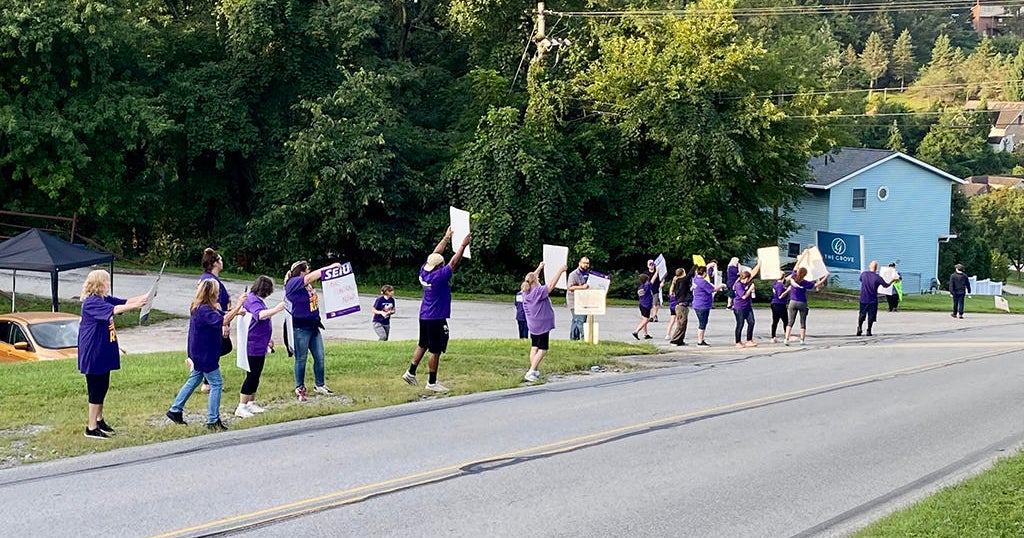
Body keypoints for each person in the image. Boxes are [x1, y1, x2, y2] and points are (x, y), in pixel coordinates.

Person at [166, 279, 245, 430]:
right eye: (217, 291)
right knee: (216, 383)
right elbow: (222, 320)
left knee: (194, 380)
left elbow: (220, 314)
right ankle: (213, 420)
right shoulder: (204, 310)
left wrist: (235, 312)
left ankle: (175, 410)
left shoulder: (201, 307)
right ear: (212, 293)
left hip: (199, 351)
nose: (219, 293)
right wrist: (238, 305)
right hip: (205, 354)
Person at [78, 270, 147, 439]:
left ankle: (99, 419)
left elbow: (124, 302)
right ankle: (91, 427)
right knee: (96, 388)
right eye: (107, 281)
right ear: (99, 284)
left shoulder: (103, 299)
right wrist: (138, 305)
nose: (109, 284)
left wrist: (146, 297)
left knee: (103, 386)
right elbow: (116, 309)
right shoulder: (91, 302)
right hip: (93, 351)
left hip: (104, 350)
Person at [401, 227, 471, 393]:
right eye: (442, 263)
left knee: (422, 344)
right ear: (439, 266)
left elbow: (434, 253)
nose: (444, 264)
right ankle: (432, 382)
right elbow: (454, 262)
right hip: (436, 317)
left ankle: (410, 372)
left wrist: (446, 238)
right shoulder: (439, 277)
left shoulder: (424, 272)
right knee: (435, 350)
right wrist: (463, 245)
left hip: (424, 315)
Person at [284, 260, 342, 401]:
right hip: (300, 327)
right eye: (308, 269)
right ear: (302, 271)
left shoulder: (307, 286)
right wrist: (329, 268)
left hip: (313, 325)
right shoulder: (294, 282)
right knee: (301, 358)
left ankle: (320, 384)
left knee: (320, 357)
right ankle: (300, 386)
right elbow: (310, 277)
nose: (309, 271)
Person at [235, 276, 285, 418]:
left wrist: (268, 338)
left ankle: (250, 402)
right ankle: (241, 406)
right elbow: (260, 315)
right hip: (253, 344)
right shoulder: (253, 301)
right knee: (252, 375)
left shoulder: (255, 300)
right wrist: (276, 309)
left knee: (256, 374)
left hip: (260, 343)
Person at [521, 262, 567, 382]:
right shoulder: (539, 291)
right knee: (543, 349)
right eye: (538, 278)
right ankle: (531, 371)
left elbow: (531, 277)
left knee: (534, 347)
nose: (539, 278)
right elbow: (551, 285)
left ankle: (534, 370)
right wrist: (560, 271)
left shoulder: (525, 291)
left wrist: (539, 268)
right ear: (535, 281)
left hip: (532, 324)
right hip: (542, 325)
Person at [783, 267, 828, 346]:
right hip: (802, 302)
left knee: (790, 321)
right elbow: (816, 285)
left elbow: (796, 266)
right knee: (802, 322)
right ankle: (802, 340)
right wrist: (825, 277)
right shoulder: (805, 282)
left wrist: (802, 257)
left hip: (792, 301)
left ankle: (786, 339)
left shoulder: (793, 277)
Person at [857, 261, 896, 336]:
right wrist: (892, 280)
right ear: (876, 268)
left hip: (863, 298)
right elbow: (886, 285)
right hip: (873, 299)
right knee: (871, 316)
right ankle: (869, 330)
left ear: (869, 266)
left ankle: (859, 327)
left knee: (862, 314)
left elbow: (861, 279)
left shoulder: (864, 274)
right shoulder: (877, 277)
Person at [692, 265, 725, 346]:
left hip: (697, 303)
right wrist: (722, 285)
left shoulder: (695, 279)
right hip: (703, 304)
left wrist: (711, 265)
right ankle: (700, 342)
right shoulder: (703, 282)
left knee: (703, 322)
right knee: (702, 323)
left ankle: (702, 339)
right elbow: (712, 290)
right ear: (704, 273)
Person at [732, 262, 761, 348]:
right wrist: (750, 290)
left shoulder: (747, 282)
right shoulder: (738, 285)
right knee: (740, 324)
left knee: (751, 322)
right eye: (746, 279)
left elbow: (753, 273)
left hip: (748, 306)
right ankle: (738, 341)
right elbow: (744, 296)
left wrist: (759, 264)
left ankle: (749, 339)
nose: (747, 281)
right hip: (739, 307)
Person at [669, 262, 694, 346]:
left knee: (684, 323)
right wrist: (696, 265)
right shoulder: (682, 281)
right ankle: (674, 340)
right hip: (681, 305)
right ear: (683, 273)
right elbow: (690, 274)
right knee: (681, 324)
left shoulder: (678, 281)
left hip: (683, 305)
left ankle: (680, 340)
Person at [566, 257, 590, 340]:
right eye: (584, 263)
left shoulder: (588, 274)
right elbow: (570, 287)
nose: (586, 265)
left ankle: (573, 339)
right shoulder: (573, 274)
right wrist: (582, 287)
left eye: (587, 263)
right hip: (574, 301)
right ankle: (585, 339)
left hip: (584, 300)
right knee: (580, 321)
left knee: (576, 321)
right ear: (579, 263)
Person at [632, 273, 654, 340]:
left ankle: (645, 334)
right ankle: (636, 331)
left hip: (641, 304)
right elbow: (653, 280)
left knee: (644, 319)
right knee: (645, 320)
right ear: (646, 280)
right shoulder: (647, 286)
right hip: (646, 305)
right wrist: (657, 272)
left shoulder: (640, 287)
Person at [769, 274, 789, 344]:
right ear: (783, 278)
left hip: (774, 303)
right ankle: (787, 335)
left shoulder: (775, 283)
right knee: (786, 321)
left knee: (775, 321)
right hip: (780, 304)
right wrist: (787, 290)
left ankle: (773, 336)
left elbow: (787, 278)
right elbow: (780, 296)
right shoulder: (780, 285)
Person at [664, 268, 682, 340]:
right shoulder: (678, 288)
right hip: (677, 306)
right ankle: (677, 334)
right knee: (679, 321)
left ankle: (668, 334)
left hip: (672, 306)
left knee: (672, 320)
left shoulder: (671, 288)